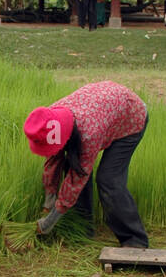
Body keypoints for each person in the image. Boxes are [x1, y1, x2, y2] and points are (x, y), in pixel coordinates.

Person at [23, 81, 149, 247]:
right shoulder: (50, 118)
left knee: (108, 180)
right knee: (71, 163)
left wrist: (51, 220)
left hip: (130, 117)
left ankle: (135, 240)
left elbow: (78, 177)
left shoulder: (89, 133)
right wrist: (49, 200)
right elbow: (53, 160)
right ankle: (83, 230)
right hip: (105, 108)